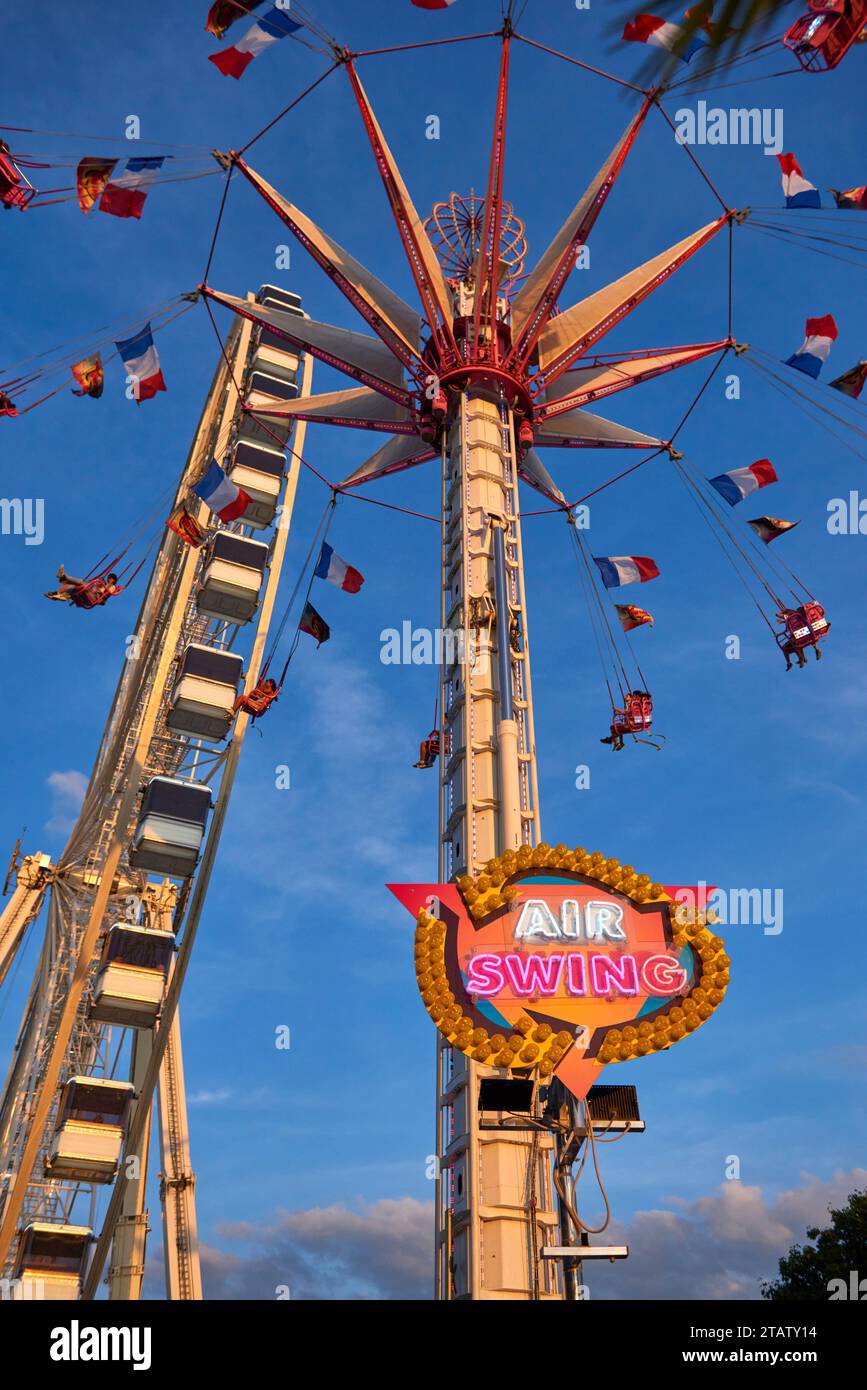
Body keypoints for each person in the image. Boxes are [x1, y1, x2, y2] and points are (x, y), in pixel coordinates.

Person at [45, 566, 123, 607]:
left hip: (93, 598)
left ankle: (64, 577)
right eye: (108, 578)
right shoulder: (104, 585)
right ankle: (56, 594)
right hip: (89, 596)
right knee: (72, 585)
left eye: (109, 578)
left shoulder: (113, 587)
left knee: (82, 582)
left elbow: (106, 593)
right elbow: (97, 590)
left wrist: (106, 584)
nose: (108, 579)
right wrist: (98, 586)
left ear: (112, 580)